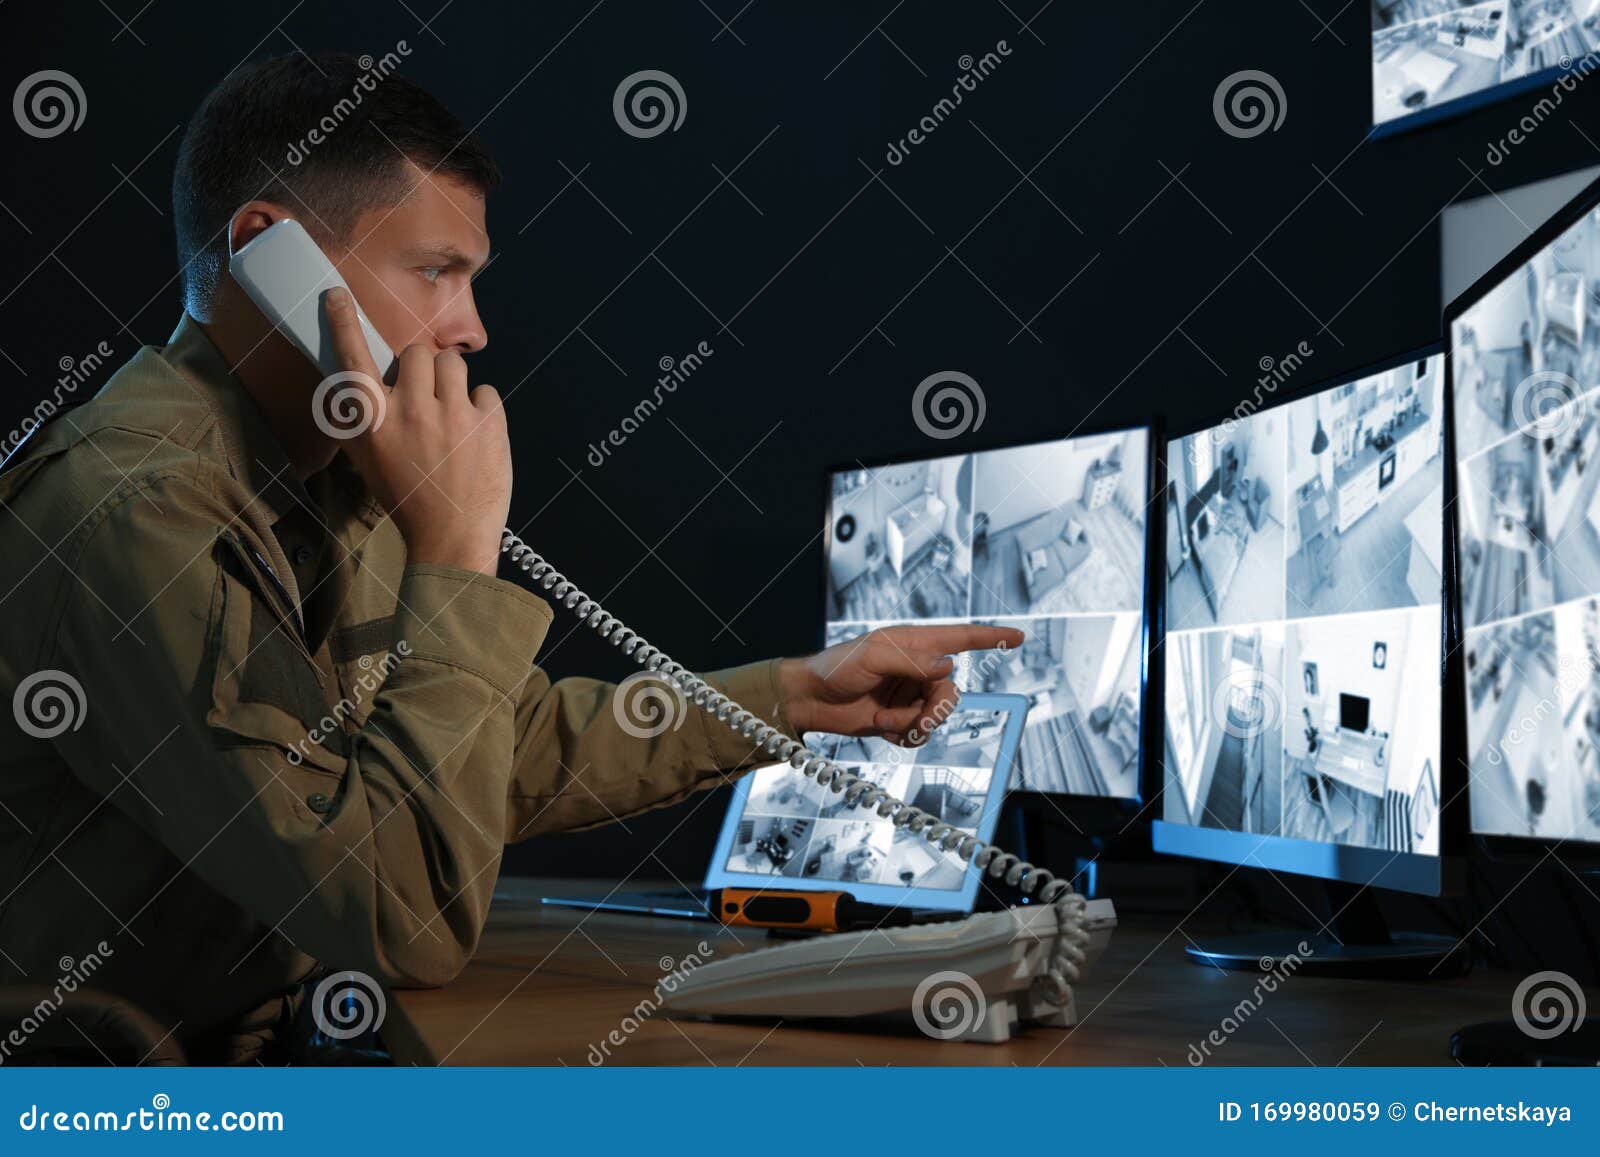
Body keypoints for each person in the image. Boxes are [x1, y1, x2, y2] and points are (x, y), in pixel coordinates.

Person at [0, 54, 1020, 1062]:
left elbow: (492, 745)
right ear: (274, 258)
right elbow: (403, 915)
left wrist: (795, 698)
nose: (472, 328)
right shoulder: (131, 508)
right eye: (436, 272)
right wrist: (453, 548)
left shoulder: (319, 477)